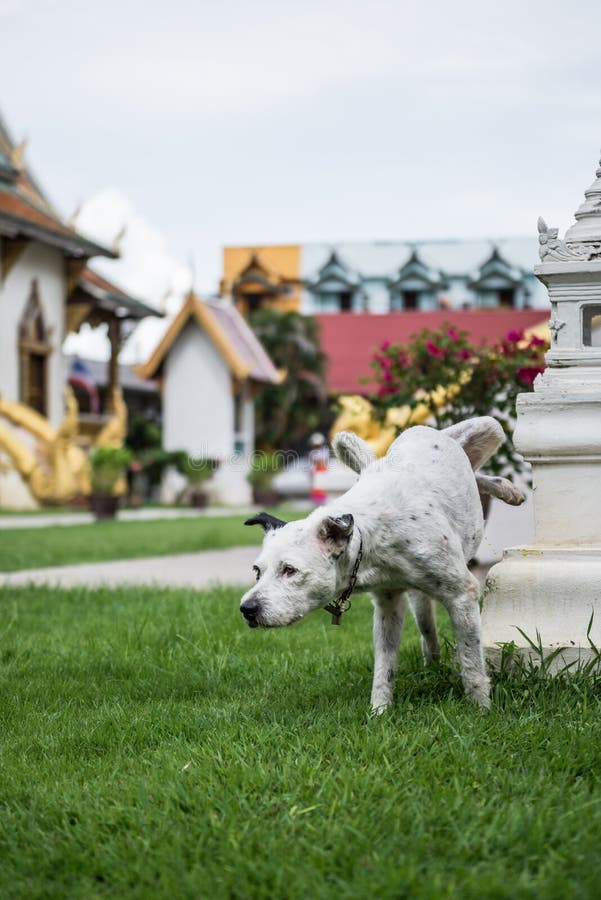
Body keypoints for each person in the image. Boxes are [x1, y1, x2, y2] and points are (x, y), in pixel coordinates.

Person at [308, 432, 329, 505]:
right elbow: (312, 463)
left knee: (321, 487)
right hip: (316, 472)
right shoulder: (312, 453)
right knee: (316, 487)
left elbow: (323, 461)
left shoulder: (325, 451)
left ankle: (322, 501)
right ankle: (316, 502)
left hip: (322, 471)